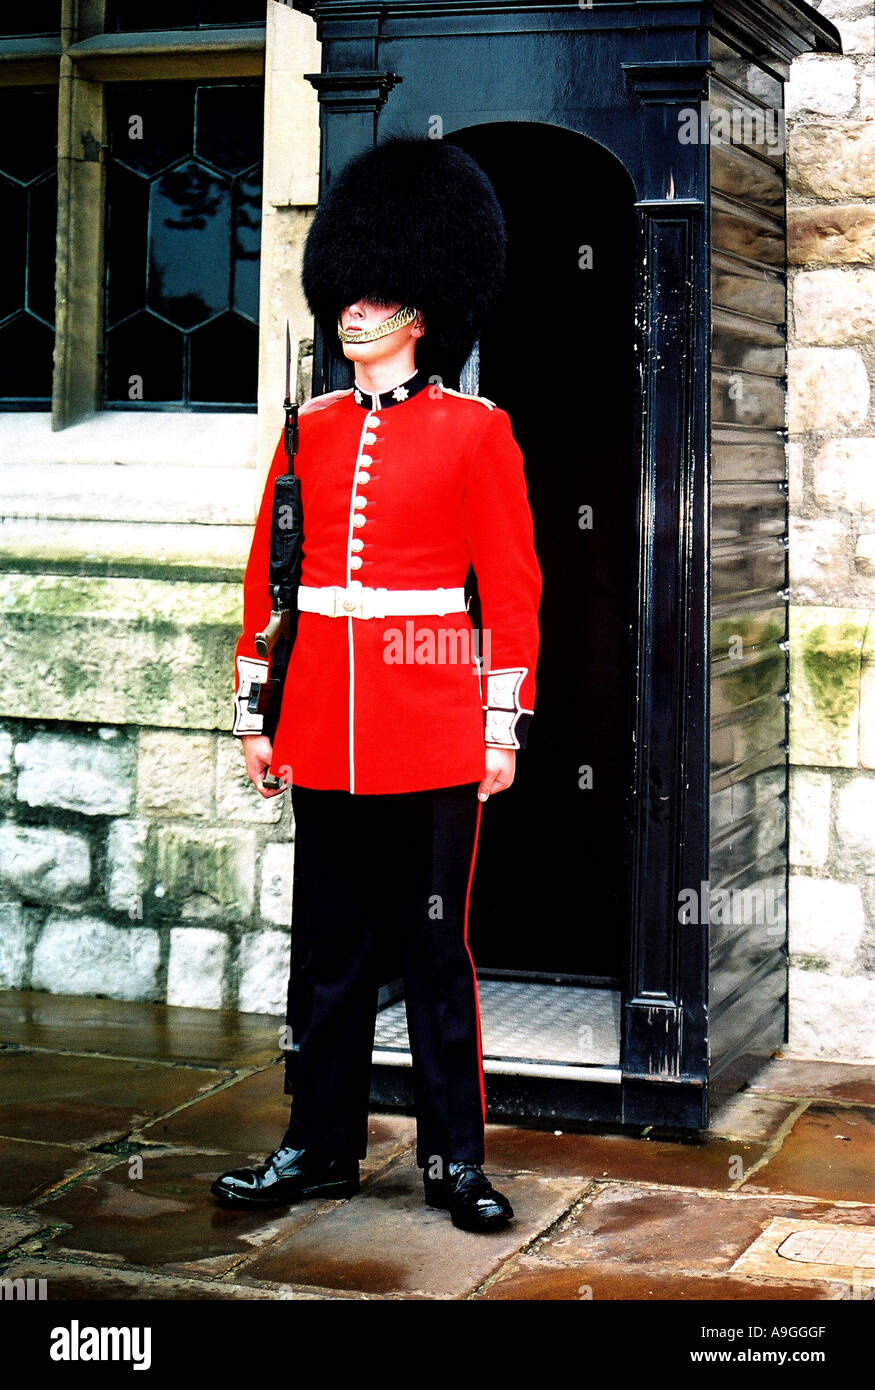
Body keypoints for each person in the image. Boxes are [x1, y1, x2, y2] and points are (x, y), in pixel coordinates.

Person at [211, 137, 541, 1233]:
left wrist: (497, 727)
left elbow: (508, 590)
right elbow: (272, 582)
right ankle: (317, 1143)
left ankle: (454, 1158)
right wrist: (259, 714)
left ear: (422, 312)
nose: (353, 313)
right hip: (325, 729)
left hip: (435, 730)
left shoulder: (475, 432)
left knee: (435, 949)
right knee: (329, 949)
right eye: (347, 294)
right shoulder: (305, 435)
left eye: (378, 297)